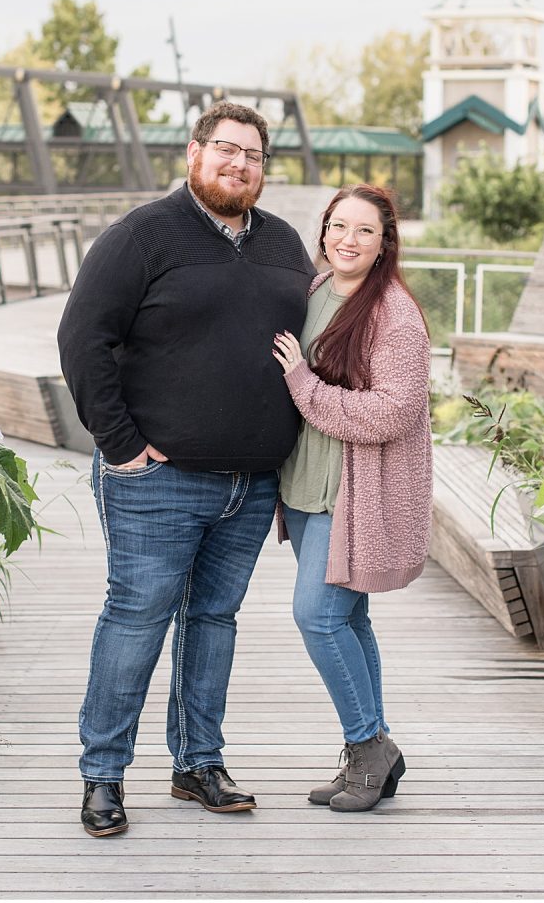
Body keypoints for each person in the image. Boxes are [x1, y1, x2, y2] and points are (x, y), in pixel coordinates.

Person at [58, 102, 315, 837]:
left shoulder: (284, 243)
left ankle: (197, 762)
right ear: (195, 152)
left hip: (251, 482)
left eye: (254, 156)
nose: (240, 165)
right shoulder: (141, 235)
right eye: (227, 150)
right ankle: (102, 774)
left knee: (212, 623)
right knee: (136, 620)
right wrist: (119, 444)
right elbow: (82, 338)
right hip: (156, 479)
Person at [271, 184, 432, 813]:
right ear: (324, 229)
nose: (348, 239)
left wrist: (302, 385)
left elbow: (396, 411)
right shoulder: (314, 292)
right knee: (349, 619)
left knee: (317, 616)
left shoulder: (394, 314)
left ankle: (368, 745)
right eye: (339, 225)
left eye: (365, 231)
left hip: (356, 491)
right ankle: (369, 756)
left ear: (385, 242)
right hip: (307, 484)